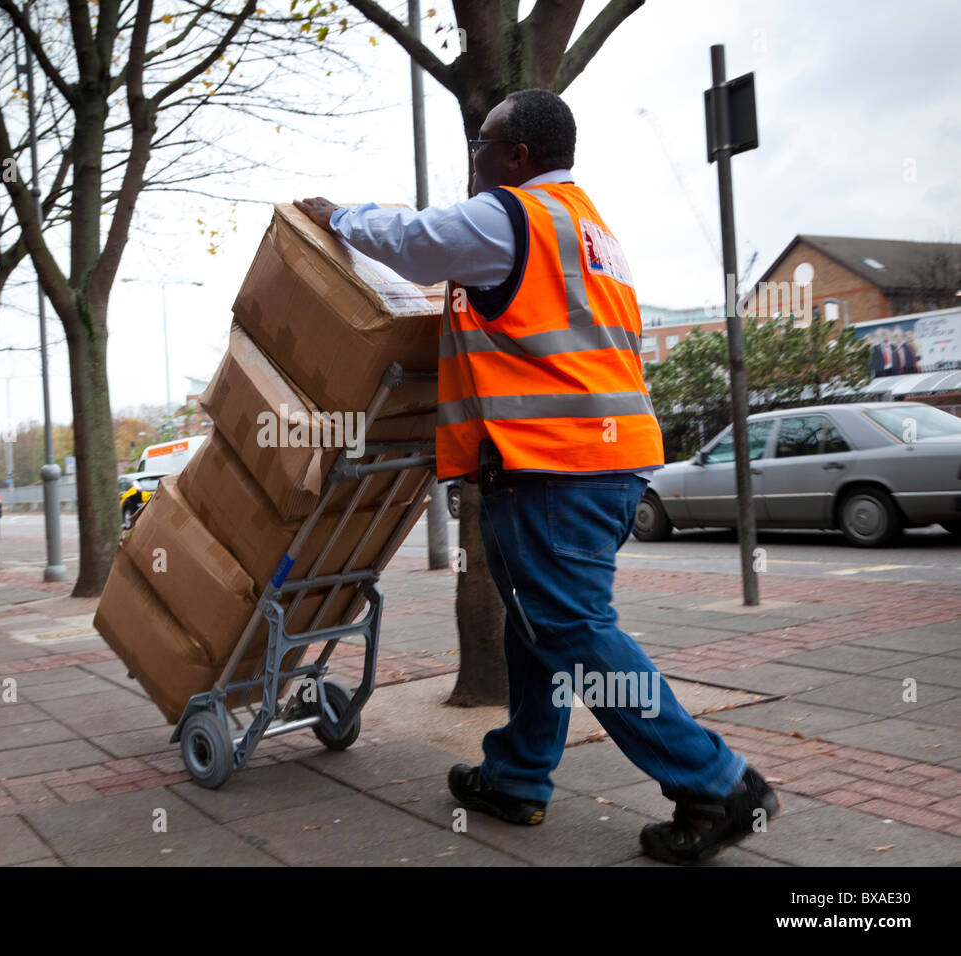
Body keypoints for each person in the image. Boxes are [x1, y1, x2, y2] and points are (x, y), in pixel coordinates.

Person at [294, 88, 777, 865]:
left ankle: (716, 782)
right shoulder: (591, 228)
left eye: (484, 146)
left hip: (554, 467)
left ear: (517, 156)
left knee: (576, 630)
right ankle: (516, 776)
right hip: (607, 463)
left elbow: (414, 241)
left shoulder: (510, 217)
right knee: (537, 628)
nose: (475, 161)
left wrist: (339, 215)